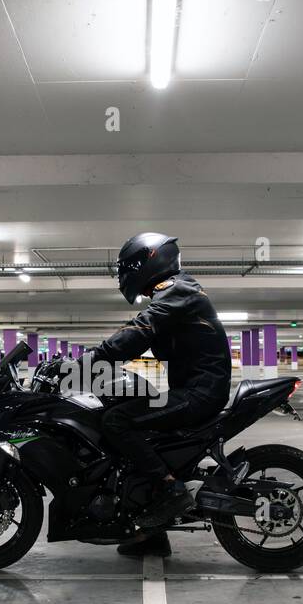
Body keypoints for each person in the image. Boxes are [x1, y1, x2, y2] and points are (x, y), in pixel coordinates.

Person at [82, 232, 232, 556]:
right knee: (126, 414)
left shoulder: (179, 290)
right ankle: (152, 532)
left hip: (200, 393)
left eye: (128, 267)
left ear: (147, 261)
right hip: (192, 387)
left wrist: (91, 359)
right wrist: (109, 370)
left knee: (117, 421)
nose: (125, 274)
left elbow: (139, 331)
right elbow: (142, 341)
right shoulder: (175, 294)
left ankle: (170, 490)